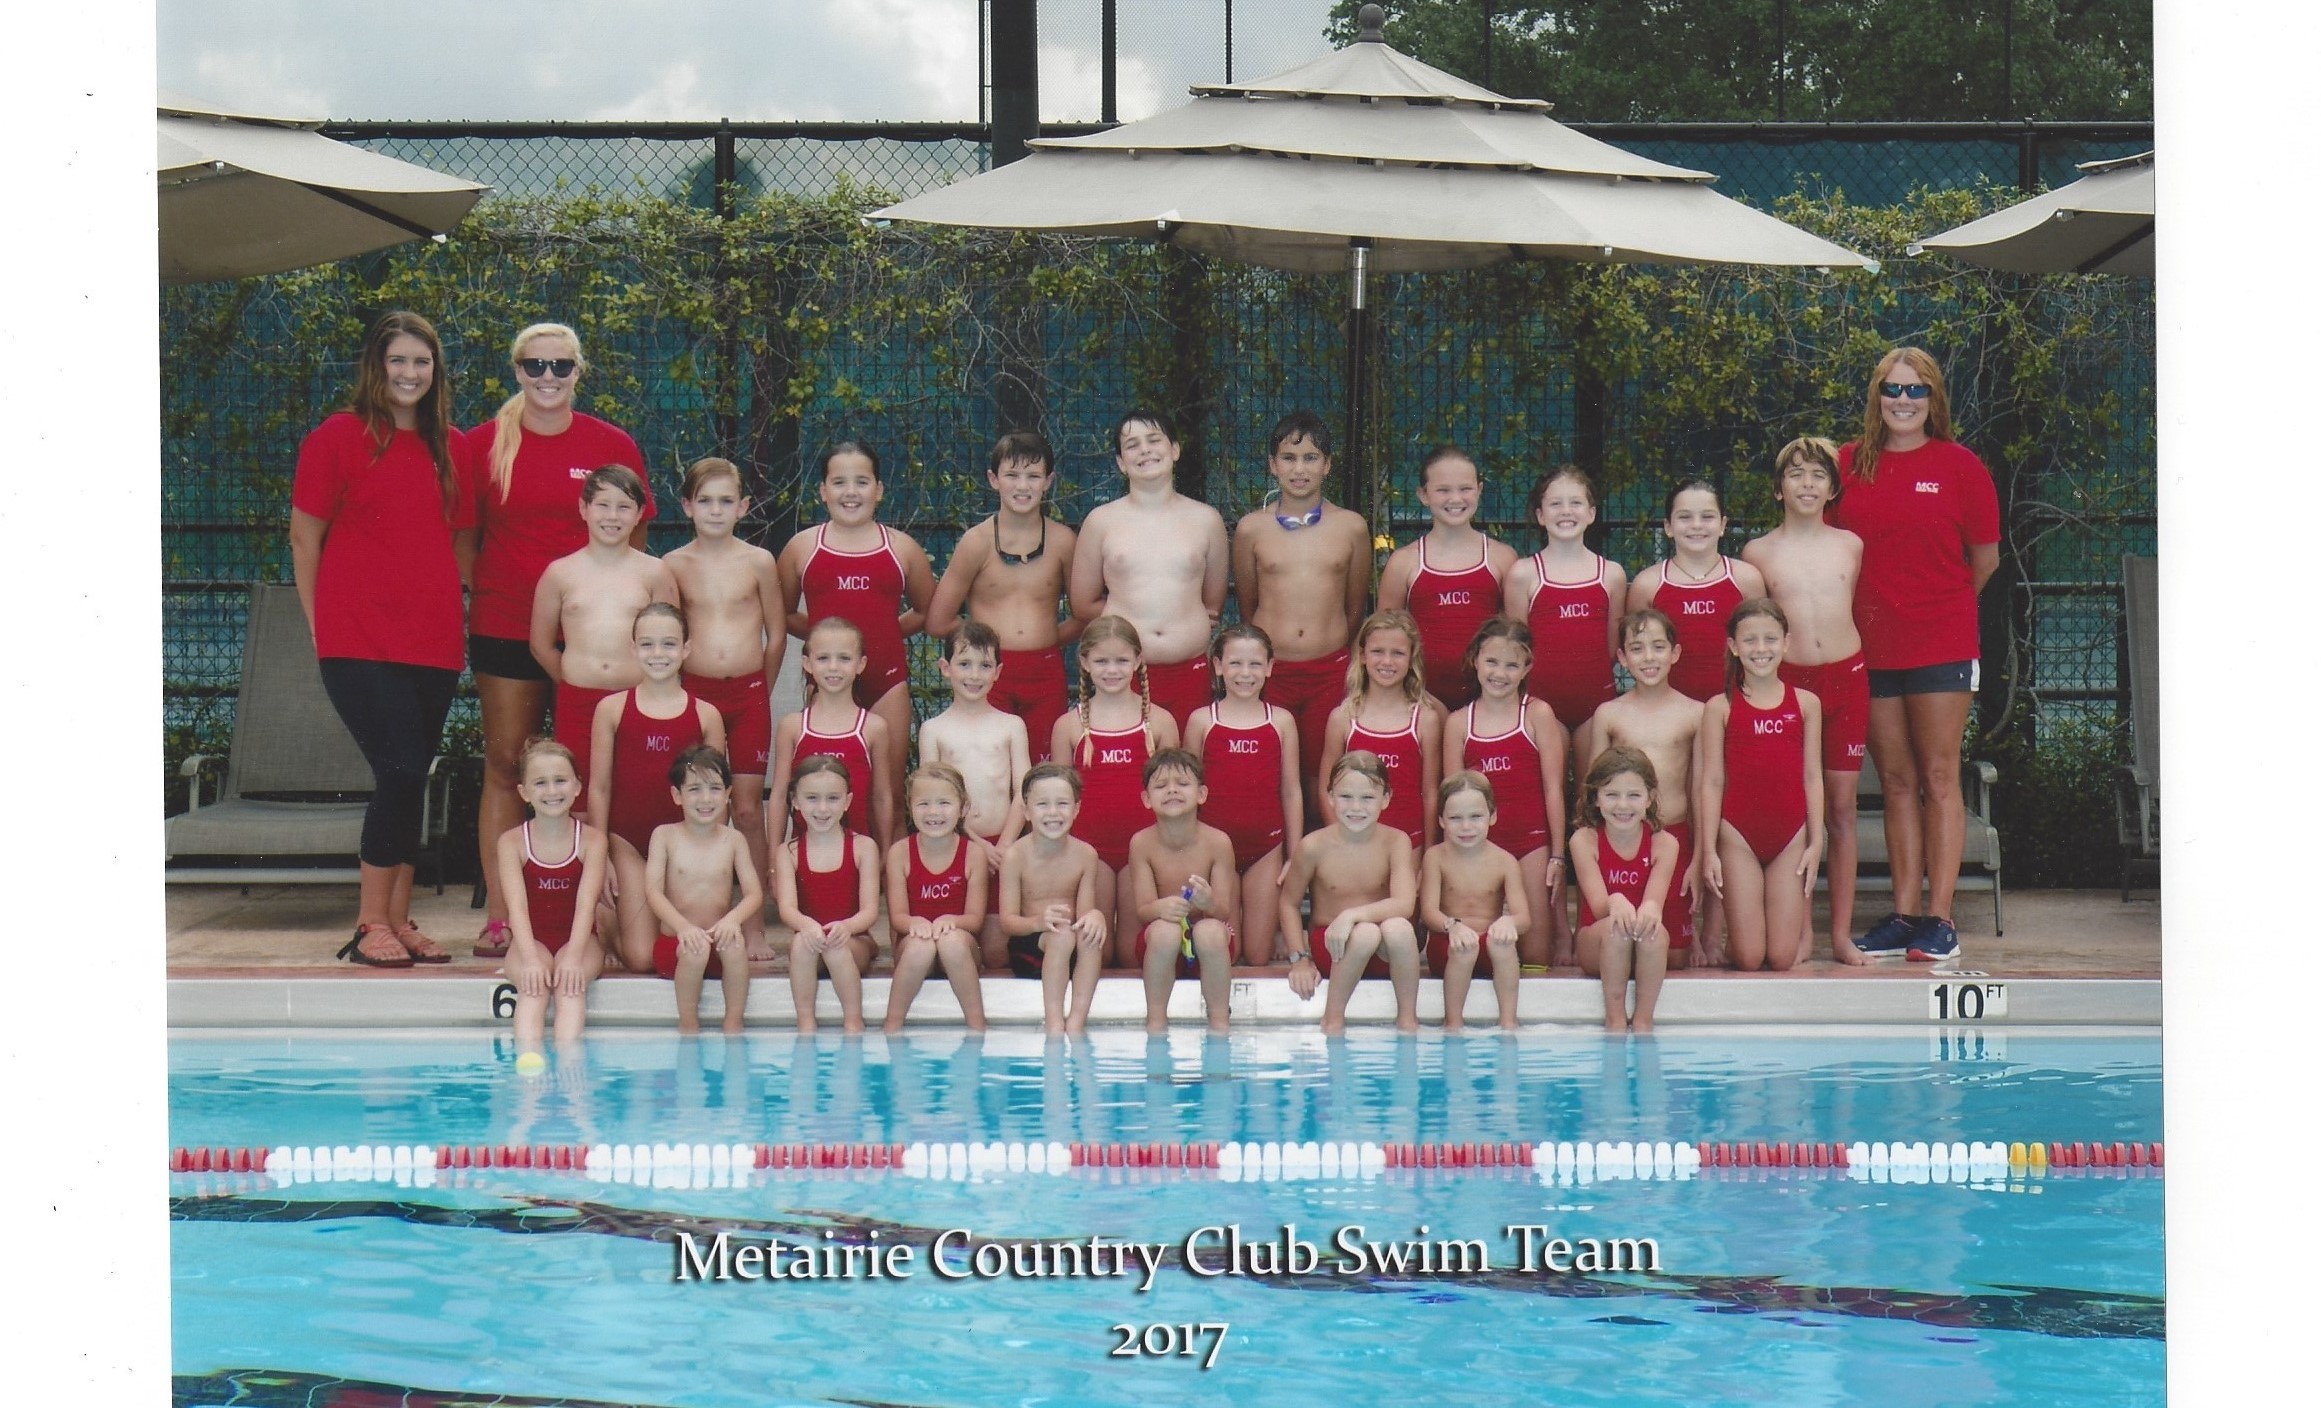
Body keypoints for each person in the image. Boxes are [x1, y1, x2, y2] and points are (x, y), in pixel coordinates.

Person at [290, 310, 478, 968]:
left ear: (436, 371)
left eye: (420, 362)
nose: (408, 373)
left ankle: (400, 918)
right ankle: (371, 922)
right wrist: (319, 622)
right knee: (398, 768)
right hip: (357, 638)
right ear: (376, 366)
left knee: (410, 779)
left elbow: (461, 542)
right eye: (397, 360)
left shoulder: (451, 445)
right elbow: (304, 536)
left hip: (431, 641)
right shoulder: (339, 437)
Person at [466, 322, 648, 960]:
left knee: (597, 777)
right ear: (516, 370)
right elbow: (466, 538)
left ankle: (592, 911)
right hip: (507, 626)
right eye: (535, 366)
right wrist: (497, 588)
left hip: (594, 642)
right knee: (508, 766)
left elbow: (635, 541)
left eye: (560, 366)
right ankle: (501, 912)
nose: (548, 378)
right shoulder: (485, 445)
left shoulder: (610, 443)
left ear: (579, 370)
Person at [1828, 348, 1999, 964]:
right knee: (1895, 782)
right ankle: (1903, 915)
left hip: (1941, 645)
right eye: (1892, 390)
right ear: (1876, 397)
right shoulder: (1846, 464)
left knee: (1938, 777)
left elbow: (1985, 561)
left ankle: (1939, 919)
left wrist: (1937, 610)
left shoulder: (1960, 466)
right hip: (1869, 648)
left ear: (1934, 401)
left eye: (1916, 391)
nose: (1903, 401)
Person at [1741, 436, 1870, 963]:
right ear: (1778, 489)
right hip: (1788, 688)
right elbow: (1756, 634)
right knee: (1794, 811)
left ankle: (1839, 934)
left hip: (1846, 681)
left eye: (1818, 475)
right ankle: (1799, 934)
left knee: (1840, 812)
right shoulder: (1758, 554)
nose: (1807, 484)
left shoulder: (1850, 545)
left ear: (1832, 488)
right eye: (1796, 474)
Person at [664, 456, 785, 962]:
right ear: (688, 506)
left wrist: (761, 689)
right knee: (699, 806)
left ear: (744, 506)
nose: (716, 510)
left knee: (745, 811)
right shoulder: (673, 565)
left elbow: (776, 634)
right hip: (695, 695)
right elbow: (670, 635)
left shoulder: (758, 562)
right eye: (705, 501)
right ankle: (694, 922)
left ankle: (753, 927)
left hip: (747, 694)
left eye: (726, 501)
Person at [777, 441, 934, 823]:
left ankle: (888, 878)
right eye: (840, 482)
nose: (851, 492)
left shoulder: (902, 549)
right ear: (823, 491)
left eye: (862, 482)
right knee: (822, 789)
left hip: (887, 680)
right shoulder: (802, 549)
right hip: (827, 681)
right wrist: (825, 644)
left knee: (890, 794)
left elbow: (928, 611)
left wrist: (882, 634)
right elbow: (781, 614)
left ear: (879, 489)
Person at [1230, 410, 1370, 795]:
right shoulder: (1250, 529)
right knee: (1270, 772)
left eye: (1310, 458)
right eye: (1289, 458)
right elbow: (1248, 603)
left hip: (1329, 671)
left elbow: (1356, 604)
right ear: (1273, 465)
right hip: (1271, 673)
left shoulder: (1351, 526)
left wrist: (1341, 652)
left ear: (1328, 465)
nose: (1299, 469)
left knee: (1321, 774)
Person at [924, 430, 1081, 763]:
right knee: (989, 765)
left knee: (1044, 769)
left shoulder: (1063, 541)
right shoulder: (976, 542)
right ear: (993, 479)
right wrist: (982, 644)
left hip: (1045, 673)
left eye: (1033, 476)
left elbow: (1084, 615)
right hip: (988, 672)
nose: (1022, 486)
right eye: (1012, 475)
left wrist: (1048, 639)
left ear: (1048, 481)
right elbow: (938, 620)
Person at [1070, 409, 1231, 731]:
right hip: (1124, 675)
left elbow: (1213, 603)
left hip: (1190, 672)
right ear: (1120, 462)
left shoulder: (1206, 519)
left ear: (1175, 449)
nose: (1144, 450)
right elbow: (1083, 603)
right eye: (1132, 444)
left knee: (1186, 769)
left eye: (1154, 440)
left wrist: (1186, 626)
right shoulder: (1101, 521)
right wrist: (1133, 626)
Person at [528, 465, 679, 804]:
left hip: (638, 702)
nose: (613, 516)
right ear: (583, 508)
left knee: (635, 797)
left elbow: (671, 641)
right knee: (579, 799)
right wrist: (573, 679)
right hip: (578, 704)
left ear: (640, 513)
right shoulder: (560, 573)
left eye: (624, 507)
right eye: (602, 505)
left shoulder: (655, 572)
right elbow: (540, 644)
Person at [589, 602, 726, 975]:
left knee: (690, 943)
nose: (658, 654)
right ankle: (609, 925)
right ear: (632, 648)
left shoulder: (705, 714)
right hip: (628, 842)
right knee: (642, 958)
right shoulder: (612, 709)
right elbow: (599, 788)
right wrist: (600, 855)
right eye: (647, 644)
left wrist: (711, 857)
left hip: (683, 843)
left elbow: (716, 796)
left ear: (686, 649)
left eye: (669, 644)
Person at [1698, 600, 1825, 973]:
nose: (1760, 649)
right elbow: (1712, 781)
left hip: (1789, 836)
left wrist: (1816, 842)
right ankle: (1733, 929)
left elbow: (1812, 776)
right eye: (1750, 640)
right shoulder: (1719, 707)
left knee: (1782, 959)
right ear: (1734, 646)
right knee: (1751, 959)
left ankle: (1791, 932)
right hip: (1738, 835)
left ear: (1786, 643)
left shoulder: (1806, 704)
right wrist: (1709, 850)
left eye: (1770, 639)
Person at [1051, 614, 1181, 963]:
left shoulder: (1160, 721)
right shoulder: (1068, 725)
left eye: (1122, 660)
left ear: (1138, 660)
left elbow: (1177, 797)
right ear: (1084, 662)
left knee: (1131, 952)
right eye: (1102, 661)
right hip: (1091, 850)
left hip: (1143, 849)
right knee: (1099, 949)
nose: (1112, 670)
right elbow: (1057, 801)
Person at [1441, 618, 1565, 968]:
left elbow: (1554, 789)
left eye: (1512, 665)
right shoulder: (1457, 723)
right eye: (1492, 662)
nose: (1500, 673)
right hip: (1474, 845)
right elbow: (1451, 799)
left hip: (1530, 842)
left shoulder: (1537, 714)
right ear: (1475, 661)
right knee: (1478, 947)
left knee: (1535, 952)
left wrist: (1557, 855)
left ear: (1527, 668)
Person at [1588, 608, 1705, 964]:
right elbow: (1594, 788)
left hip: (1673, 834)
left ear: (1675, 652)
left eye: (1658, 647)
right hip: (1619, 839)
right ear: (1622, 657)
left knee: (1673, 956)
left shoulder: (1694, 712)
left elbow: (1701, 789)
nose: (1649, 657)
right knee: (1619, 938)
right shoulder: (1609, 713)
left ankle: (1692, 935)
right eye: (1637, 649)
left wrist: (1698, 857)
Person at [1277, 751, 1421, 1033]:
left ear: (1386, 799)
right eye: (1346, 797)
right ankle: (1333, 1019)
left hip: (1382, 954)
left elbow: (1404, 904)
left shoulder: (1396, 841)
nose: (1356, 807)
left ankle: (1408, 1020)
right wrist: (1300, 961)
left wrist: (1352, 916)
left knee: (1399, 928)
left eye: (1367, 798)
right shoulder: (1313, 846)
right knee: (1365, 933)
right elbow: (1288, 904)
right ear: (1330, 797)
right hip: (1332, 948)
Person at [1183, 624, 1301, 966]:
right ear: (1218, 666)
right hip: (1215, 849)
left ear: (1269, 668)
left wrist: (1293, 854)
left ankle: (1279, 929)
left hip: (1265, 847)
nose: (1244, 674)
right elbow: (1189, 791)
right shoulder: (1201, 721)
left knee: (1259, 956)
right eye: (1235, 664)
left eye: (1254, 665)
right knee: (1227, 953)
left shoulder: (1281, 721)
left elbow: (1291, 790)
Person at [916, 621, 1031, 967]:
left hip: (1002, 849)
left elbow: (1023, 791)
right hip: (956, 847)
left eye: (984, 666)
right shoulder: (933, 730)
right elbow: (930, 797)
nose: (974, 675)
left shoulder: (1011, 725)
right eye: (964, 664)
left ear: (998, 672)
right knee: (955, 942)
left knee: (997, 952)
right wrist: (975, 843)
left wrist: (1006, 844)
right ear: (945, 668)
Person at [1377, 446, 1516, 710]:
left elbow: (1516, 637)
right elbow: (1384, 638)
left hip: (1488, 700)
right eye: (1443, 490)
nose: (1455, 498)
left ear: (1480, 489)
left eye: (1465, 488)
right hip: (1421, 700)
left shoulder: (1502, 558)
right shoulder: (1404, 562)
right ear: (1423, 494)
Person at [1505, 465, 1627, 763]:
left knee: (1593, 792)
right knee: (1550, 792)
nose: (1566, 511)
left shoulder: (1610, 574)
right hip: (1542, 703)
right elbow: (1516, 647)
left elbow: (1612, 646)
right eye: (1555, 504)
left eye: (1575, 503)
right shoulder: (1524, 574)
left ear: (1591, 513)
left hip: (1595, 703)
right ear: (1540, 515)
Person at [494, 738, 609, 1049]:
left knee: (571, 988)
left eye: (560, 781)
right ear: (524, 793)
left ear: (577, 787)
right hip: (530, 941)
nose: (552, 791)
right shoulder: (512, 843)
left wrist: (573, 957)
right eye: (540, 783)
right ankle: (530, 1081)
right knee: (533, 989)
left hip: (580, 941)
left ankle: (571, 1076)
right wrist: (530, 959)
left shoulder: (592, 841)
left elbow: (586, 905)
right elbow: (516, 907)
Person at [643, 745, 760, 1034]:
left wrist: (732, 920)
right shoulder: (665, 836)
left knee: (734, 946)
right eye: (694, 789)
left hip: (718, 943)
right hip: (677, 947)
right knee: (694, 952)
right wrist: (683, 927)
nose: (705, 799)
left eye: (715, 788)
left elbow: (754, 893)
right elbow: (653, 892)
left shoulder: (733, 840)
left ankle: (733, 1022)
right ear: (677, 795)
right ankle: (689, 1025)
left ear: (728, 793)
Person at [1128, 749, 1241, 1034]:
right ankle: (1155, 1020)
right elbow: (1143, 910)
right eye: (1161, 786)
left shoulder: (1218, 842)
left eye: (1182, 783)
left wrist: (1207, 901)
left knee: (1211, 930)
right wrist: (1162, 908)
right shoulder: (1141, 843)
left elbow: (1223, 910)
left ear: (1202, 794)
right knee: (1166, 931)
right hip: (1162, 949)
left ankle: (1219, 1021)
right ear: (1146, 799)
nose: (1172, 791)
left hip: (1209, 945)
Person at [769, 754, 882, 1034]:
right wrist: (808, 926)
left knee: (835, 947)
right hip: (811, 943)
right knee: (800, 944)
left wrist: (846, 927)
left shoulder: (863, 847)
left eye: (832, 798)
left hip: (853, 942)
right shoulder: (788, 852)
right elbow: (787, 909)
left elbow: (869, 910)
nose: (822, 808)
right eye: (811, 798)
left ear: (847, 801)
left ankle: (853, 1021)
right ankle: (806, 1022)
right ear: (795, 801)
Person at [1570, 747, 1680, 1034]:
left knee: (1653, 933)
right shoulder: (1584, 840)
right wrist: (1616, 899)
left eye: (1633, 795)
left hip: (1643, 944)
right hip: (1597, 941)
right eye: (1611, 795)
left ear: (1650, 799)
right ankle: (1615, 1020)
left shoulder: (1664, 843)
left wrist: (1648, 908)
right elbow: (1597, 906)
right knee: (1617, 929)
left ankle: (1644, 1022)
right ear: (1595, 798)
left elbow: (1653, 902)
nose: (1623, 805)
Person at [766, 617, 900, 852]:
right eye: (823, 658)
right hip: (802, 859)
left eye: (844, 658)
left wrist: (885, 853)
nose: (834, 667)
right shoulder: (793, 726)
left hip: (857, 860)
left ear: (861, 664)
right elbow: (778, 798)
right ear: (807, 663)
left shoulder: (873, 727)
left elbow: (881, 797)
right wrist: (775, 858)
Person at [1628, 481, 1767, 704]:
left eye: (1707, 517)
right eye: (1684, 517)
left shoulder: (1746, 579)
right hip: (1670, 712)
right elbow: (1633, 649)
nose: (1696, 525)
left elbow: (1762, 646)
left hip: (1734, 704)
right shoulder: (1648, 584)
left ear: (1722, 525)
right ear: (1668, 526)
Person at [1317, 610, 1444, 851]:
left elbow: (1429, 794)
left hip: (1409, 844)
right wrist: (1342, 842)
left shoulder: (1425, 720)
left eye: (1397, 653)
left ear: (1411, 658)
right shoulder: (1343, 718)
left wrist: (1428, 852)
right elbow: (1326, 790)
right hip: (1353, 843)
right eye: (1377, 652)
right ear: (1363, 655)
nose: (1387, 662)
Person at [998, 763, 1110, 1034]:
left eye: (1062, 803)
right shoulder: (1015, 856)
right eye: (1042, 804)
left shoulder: (1086, 855)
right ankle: (1054, 1023)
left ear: (1076, 809)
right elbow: (1008, 922)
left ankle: (1076, 1021)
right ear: (1026, 811)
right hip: (1030, 948)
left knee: (1090, 934)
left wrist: (1095, 915)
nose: (1052, 813)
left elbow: (1084, 914)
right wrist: (1038, 921)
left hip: (1071, 949)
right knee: (1061, 935)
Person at [882, 763, 989, 1032]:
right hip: (915, 950)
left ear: (963, 808)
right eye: (923, 804)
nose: (933, 812)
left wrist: (951, 920)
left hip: (960, 948)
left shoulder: (973, 853)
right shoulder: (900, 852)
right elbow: (897, 917)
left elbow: (975, 920)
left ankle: (977, 1026)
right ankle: (892, 1026)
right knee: (921, 945)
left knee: (951, 941)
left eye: (944, 803)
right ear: (909, 807)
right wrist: (914, 923)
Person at [1419, 771, 1528, 1032]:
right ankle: (1453, 1023)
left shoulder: (1505, 861)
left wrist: (1508, 921)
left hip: (1489, 947)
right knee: (1465, 947)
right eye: (1455, 818)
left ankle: (1508, 1023)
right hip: (1449, 945)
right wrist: (1451, 925)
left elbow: (1524, 918)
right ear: (1442, 821)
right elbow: (1428, 911)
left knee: (1502, 944)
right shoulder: (1435, 858)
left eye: (1475, 817)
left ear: (1492, 816)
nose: (1466, 827)